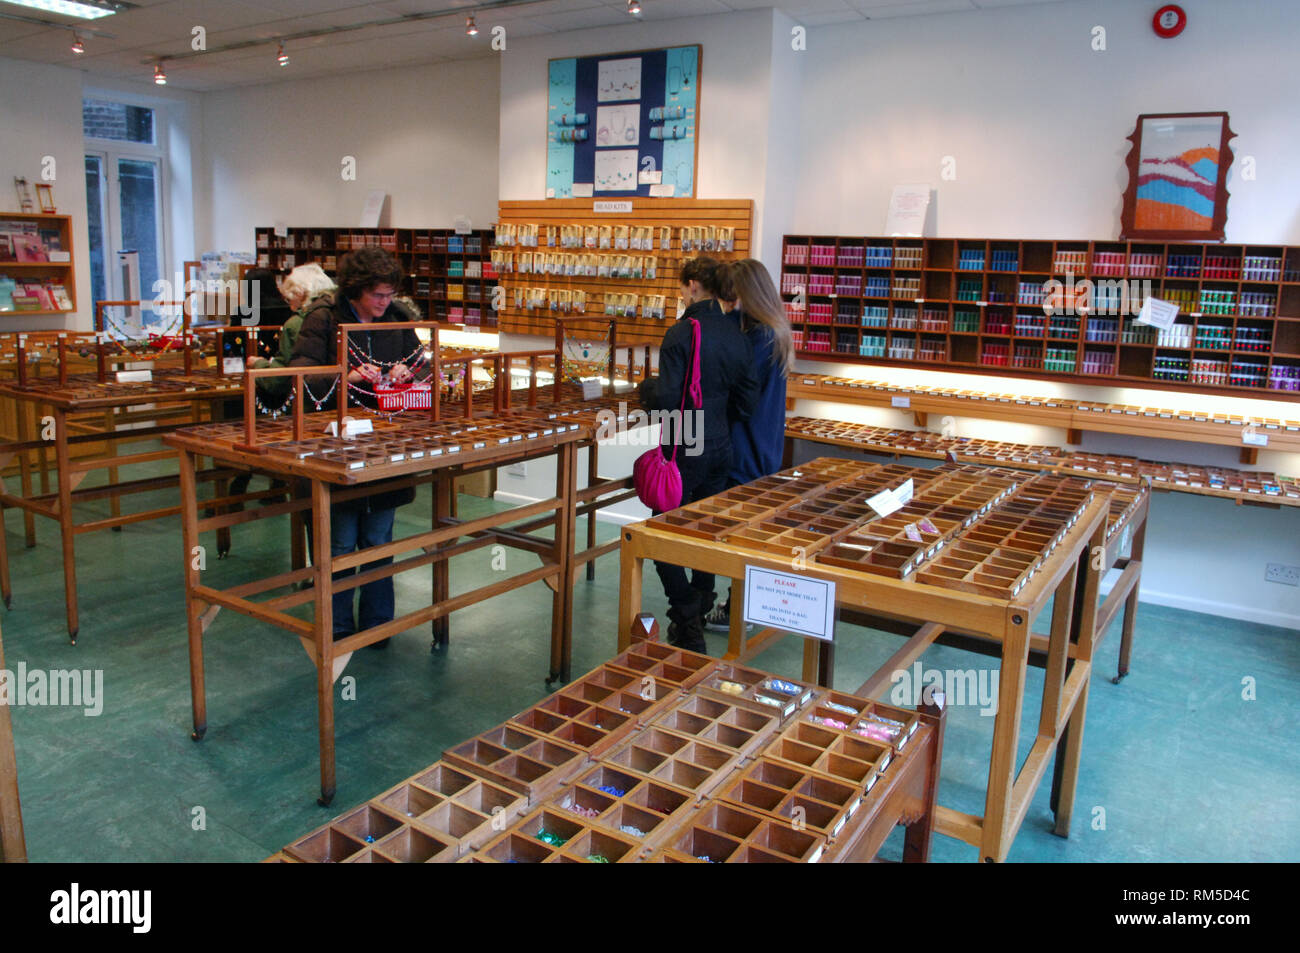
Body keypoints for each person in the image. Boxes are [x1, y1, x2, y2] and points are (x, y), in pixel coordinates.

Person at [289, 247, 426, 646]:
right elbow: (300, 381)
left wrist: (409, 370)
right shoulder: (324, 319)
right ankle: (337, 630)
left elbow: (423, 362)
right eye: (378, 295)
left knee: (379, 540)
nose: (386, 302)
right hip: (333, 447)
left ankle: (378, 626)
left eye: (389, 294)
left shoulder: (398, 317)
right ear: (357, 289)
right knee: (339, 543)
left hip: (385, 447)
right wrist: (346, 377)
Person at [639, 257, 758, 652]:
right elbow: (747, 400)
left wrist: (646, 389)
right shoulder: (736, 333)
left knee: (659, 532)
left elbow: (669, 403)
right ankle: (703, 596)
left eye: (680, 287)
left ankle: (686, 611)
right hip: (721, 443)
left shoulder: (682, 333)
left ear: (692, 285)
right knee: (706, 528)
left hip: (685, 443)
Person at [704, 258, 795, 632]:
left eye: (734, 297)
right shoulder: (775, 334)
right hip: (764, 446)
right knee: (748, 531)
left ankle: (738, 607)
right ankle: (745, 604)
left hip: (745, 449)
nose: (730, 304)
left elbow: (739, 394)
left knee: (736, 534)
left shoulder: (759, 340)